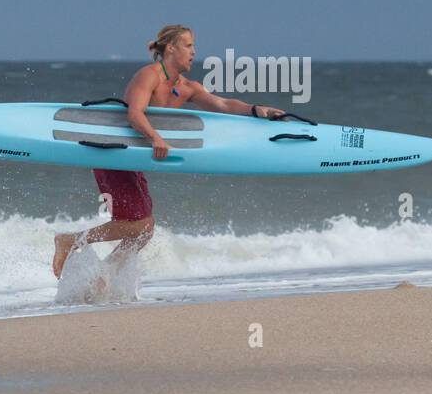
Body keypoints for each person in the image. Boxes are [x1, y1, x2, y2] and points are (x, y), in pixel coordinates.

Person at [51, 25, 285, 283]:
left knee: (144, 229)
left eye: (194, 47)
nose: (194, 52)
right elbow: (135, 114)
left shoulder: (187, 87)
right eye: (188, 46)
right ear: (170, 48)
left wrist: (257, 110)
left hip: (133, 161)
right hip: (113, 155)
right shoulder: (148, 76)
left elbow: (223, 104)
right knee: (136, 225)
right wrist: (155, 138)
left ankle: (105, 276)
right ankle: (70, 240)